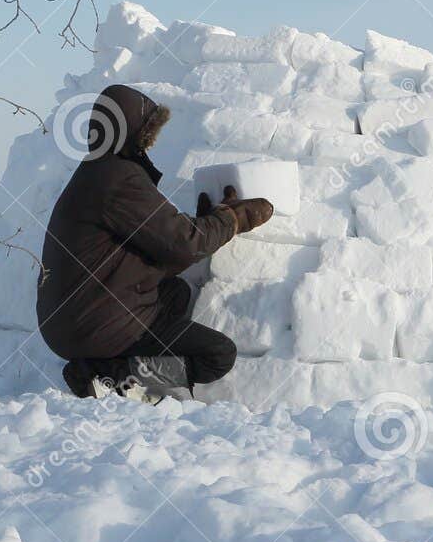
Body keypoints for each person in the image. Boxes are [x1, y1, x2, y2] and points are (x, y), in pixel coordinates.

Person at [35, 83, 274, 400]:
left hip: (70, 322)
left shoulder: (95, 173)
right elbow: (184, 244)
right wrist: (233, 220)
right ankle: (118, 375)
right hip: (94, 324)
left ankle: (91, 367)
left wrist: (202, 223)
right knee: (217, 356)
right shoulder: (120, 179)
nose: (153, 141)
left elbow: (158, 239)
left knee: (174, 294)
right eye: (149, 131)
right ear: (133, 132)